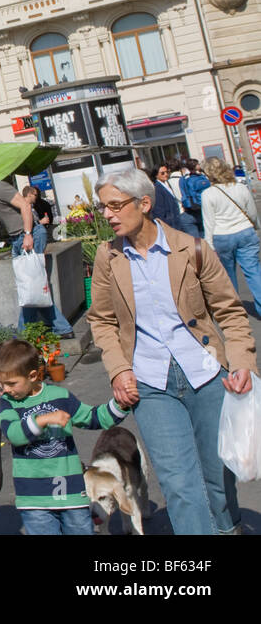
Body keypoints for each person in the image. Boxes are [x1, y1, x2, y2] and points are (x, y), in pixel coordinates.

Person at [88, 167, 257, 534]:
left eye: (116, 205)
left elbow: (229, 312)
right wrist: (118, 369)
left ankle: (229, 529)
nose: (108, 215)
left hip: (206, 374)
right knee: (179, 484)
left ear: (144, 203)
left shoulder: (192, 249)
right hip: (150, 382)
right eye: (103, 207)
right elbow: (101, 320)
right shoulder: (108, 258)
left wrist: (242, 362)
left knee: (218, 477)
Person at [0, 339, 129, 535]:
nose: (5, 389)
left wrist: (121, 405)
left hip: (71, 492)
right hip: (34, 498)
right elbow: (14, 434)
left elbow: (93, 417)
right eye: (2, 384)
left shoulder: (60, 396)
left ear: (32, 375)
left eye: (11, 383)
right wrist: (43, 420)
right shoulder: (8, 404)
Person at [0, 170, 73, 337]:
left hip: (31, 234)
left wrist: (27, 234)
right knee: (31, 286)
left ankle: (26, 334)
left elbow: (25, 205)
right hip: (16, 240)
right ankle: (59, 329)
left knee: (31, 285)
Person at [202, 156, 261, 317]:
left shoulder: (208, 194)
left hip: (222, 236)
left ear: (208, 174)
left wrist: (210, 245)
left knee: (228, 275)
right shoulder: (240, 187)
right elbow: (252, 212)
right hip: (245, 231)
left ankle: (235, 311)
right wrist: (255, 226)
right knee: (253, 271)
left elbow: (209, 223)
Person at [178, 159, 211, 237]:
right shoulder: (203, 177)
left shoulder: (183, 179)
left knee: (195, 241)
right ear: (196, 166)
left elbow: (183, 193)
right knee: (205, 236)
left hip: (190, 210)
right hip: (202, 209)